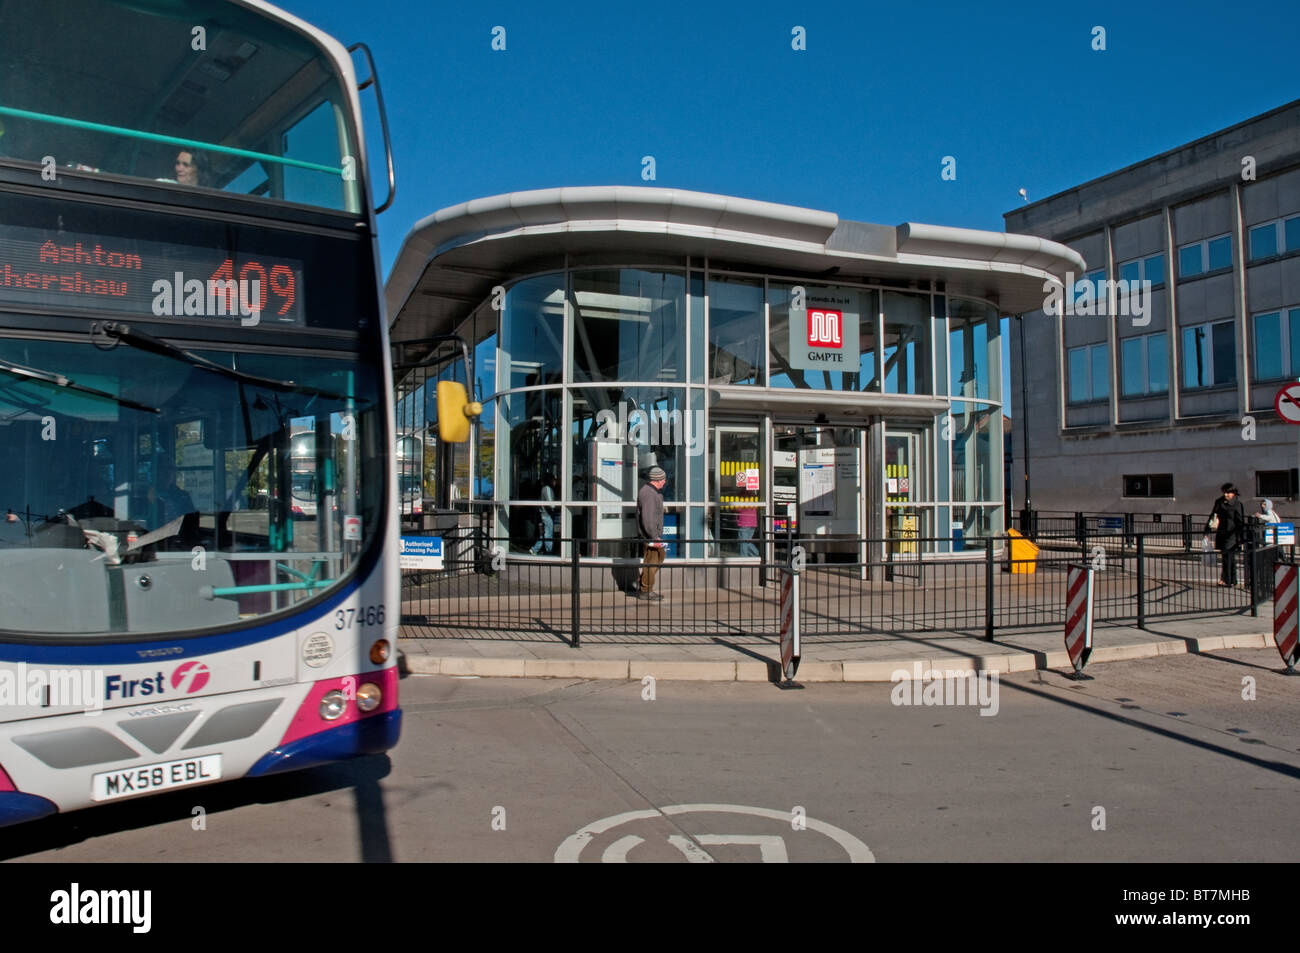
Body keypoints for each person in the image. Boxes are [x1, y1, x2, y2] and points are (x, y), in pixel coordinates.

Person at [636, 466, 667, 600]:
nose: (665, 482)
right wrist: (654, 537)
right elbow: (648, 518)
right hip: (650, 536)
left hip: (652, 535)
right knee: (652, 561)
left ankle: (643, 581)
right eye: (664, 479)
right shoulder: (649, 493)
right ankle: (646, 590)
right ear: (658, 480)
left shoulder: (654, 492)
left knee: (659, 557)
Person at [1207, 482, 1246, 586]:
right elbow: (1213, 515)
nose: (1226, 494)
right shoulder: (1219, 502)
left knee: (1228, 556)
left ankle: (1227, 580)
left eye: (1228, 492)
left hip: (1232, 534)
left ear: (1233, 493)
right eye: (1224, 492)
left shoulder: (1237, 504)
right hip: (1222, 532)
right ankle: (1232, 579)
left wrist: (1241, 537)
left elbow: (1240, 521)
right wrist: (1207, 529)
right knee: (1228, 557)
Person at [530, 475, 558, 555]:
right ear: (551, 481)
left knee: (544, 534)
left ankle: (534, 549)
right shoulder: (547, 489)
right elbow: (551, 503)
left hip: (544, 515)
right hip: (547, 515)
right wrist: (556, 507)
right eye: (554, 480)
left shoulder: (544, 489)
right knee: (548, 534)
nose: (555, 482)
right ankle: (549, 551)